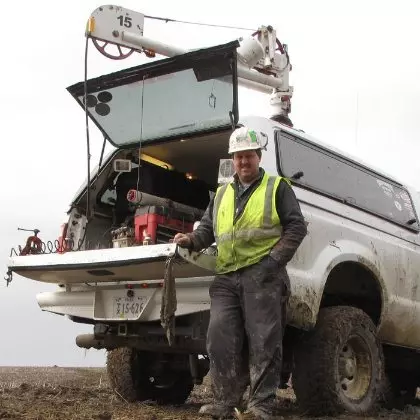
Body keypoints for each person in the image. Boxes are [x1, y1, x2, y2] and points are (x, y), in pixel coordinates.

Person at [174, 126, 307, 420]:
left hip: (262, 274)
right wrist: (192, 240)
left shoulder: (277, 187)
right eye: (238, 157)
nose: (243, 162)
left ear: (258, 157)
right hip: (226, 277)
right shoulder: (222, 193)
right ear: (232, 160)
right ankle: (225, 403)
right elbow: (208, 229)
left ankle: (261, 405)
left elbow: (297, 227)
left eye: (248, 156)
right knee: (219, 338)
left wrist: (273, 263)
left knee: (264, 341)